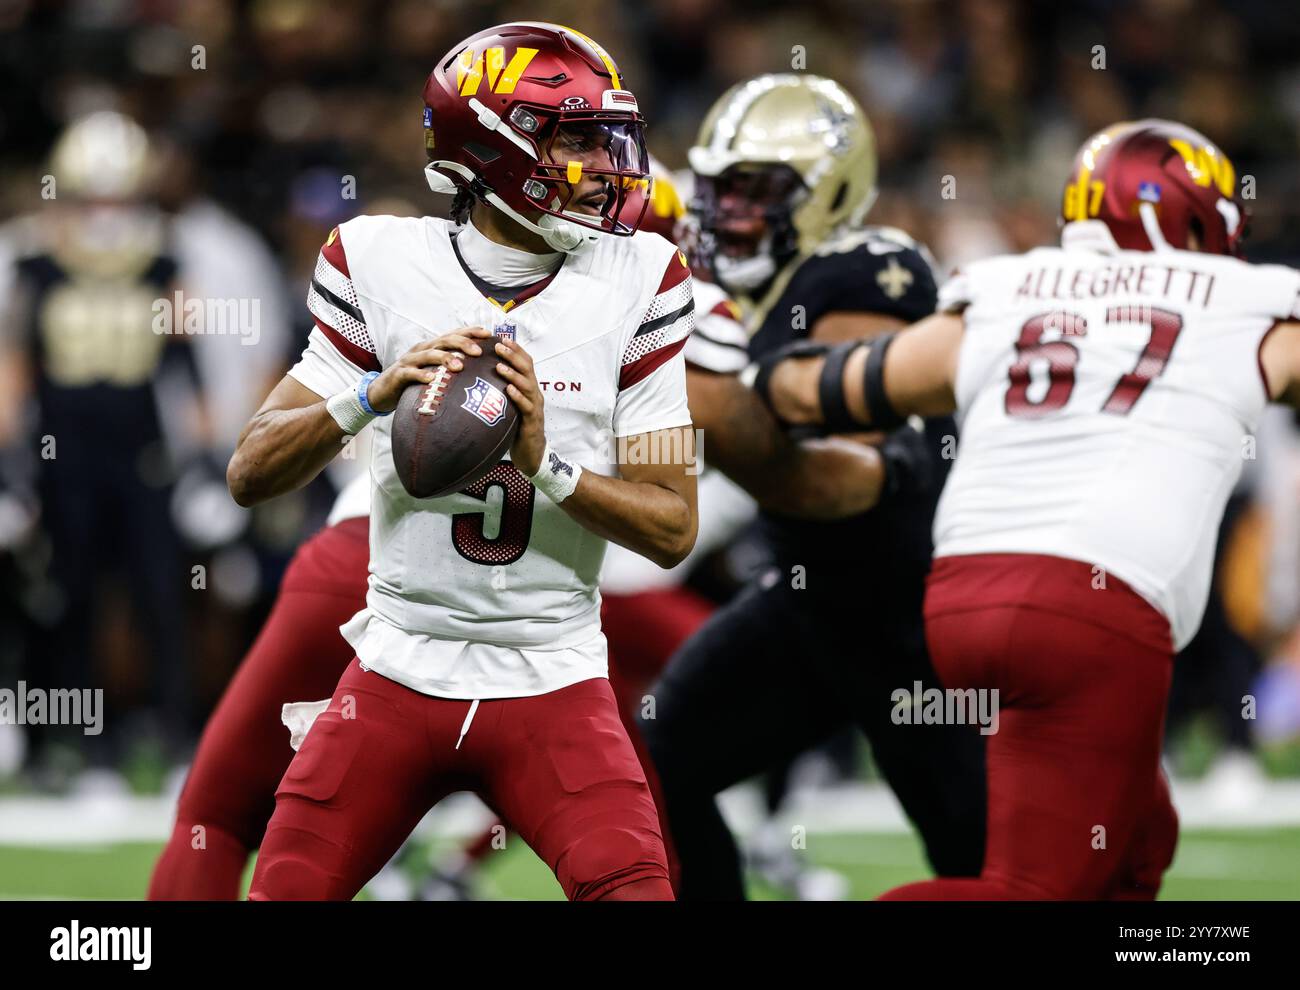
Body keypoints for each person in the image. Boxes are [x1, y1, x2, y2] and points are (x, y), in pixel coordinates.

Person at [755, 118, 1300, 899]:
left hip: (966, 597)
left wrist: (752, 372)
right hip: (1098, 604)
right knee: (1032, 892)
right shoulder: (1245, 301)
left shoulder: (1007, 287)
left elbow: (830, 387)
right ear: (1195, 214)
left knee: (1139, 843)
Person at [228, 22, 701, 901]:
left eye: (609, 138)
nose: (607, 165)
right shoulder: (377, 259)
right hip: (399, 666)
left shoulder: (646, 276)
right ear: (497, 142)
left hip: (553, 672)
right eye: (578, 137)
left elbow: (674, 528)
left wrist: (546, 463)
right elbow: (250, 471)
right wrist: (370, 397)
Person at [641, 73, 987, 900]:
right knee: (654, 768)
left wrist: (726, 425)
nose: (728, 212)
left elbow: (845, 474)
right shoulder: (737, 294)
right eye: (720, 189)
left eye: (756, 190)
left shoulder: (866, 269)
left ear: (826, 193)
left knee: (987, 865)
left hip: (923, 626)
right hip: (812, 605)